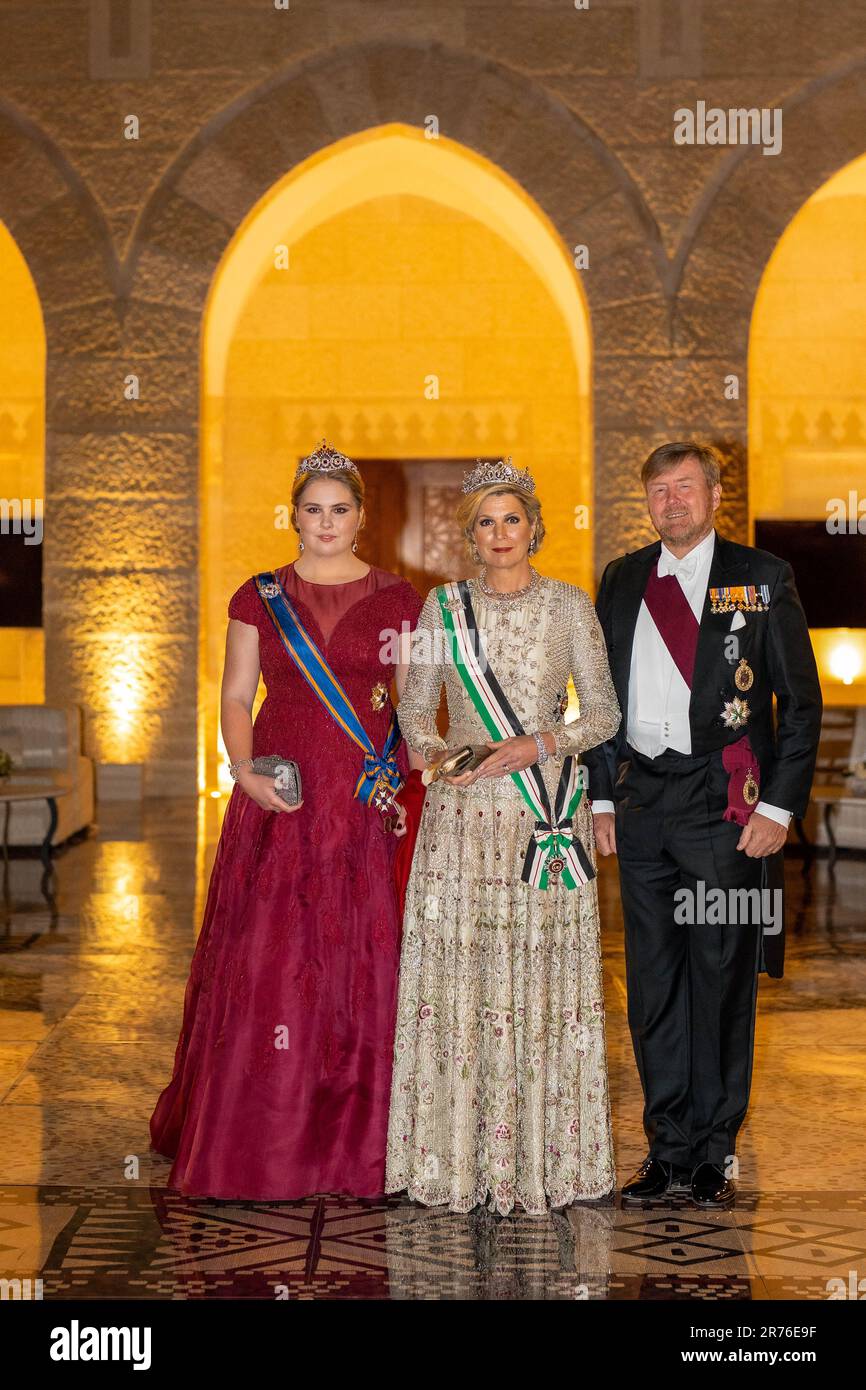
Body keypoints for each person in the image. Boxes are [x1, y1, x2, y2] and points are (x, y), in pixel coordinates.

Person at [149, 442, 424, 1199]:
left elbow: (413, 705)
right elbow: (237, 697)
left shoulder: (400, 599)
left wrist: (407, 779)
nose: (326, 522)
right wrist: (244, 771)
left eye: (340, 510)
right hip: (282, 796)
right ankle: (266, 1135)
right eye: (313, 510)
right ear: (293, 516)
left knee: (362, 960)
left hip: (364, 800)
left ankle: (361, 1138)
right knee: (275, 959)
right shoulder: (259, 595)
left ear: (361, 517)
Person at [584, 441, 822, 1209]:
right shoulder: (622, 578)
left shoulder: (761, 577)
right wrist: (601, 798)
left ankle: (714, 1150)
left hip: (726, 804)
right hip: (644, 805)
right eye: (659, 490)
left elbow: (800, 701)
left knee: (719, 977)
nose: (672, 502)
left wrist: (778, 808)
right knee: (653, 982)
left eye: (686, 487)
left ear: (715, 495)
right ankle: (667, 1149)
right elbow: (596, 698)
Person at [385, 458, 621, 1216]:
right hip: (462, 819)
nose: (499, 533)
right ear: (471, 535)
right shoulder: (440, 608)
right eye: (485, 522)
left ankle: (543, 1158)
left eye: (511, 519)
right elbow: (415, 711)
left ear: (534, 527)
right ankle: (453, 1157)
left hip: (542, 813)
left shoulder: (570, 606)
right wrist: (441, 758)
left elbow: (604, 714)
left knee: (539, 979)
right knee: (465, 978)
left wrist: (540, 744)